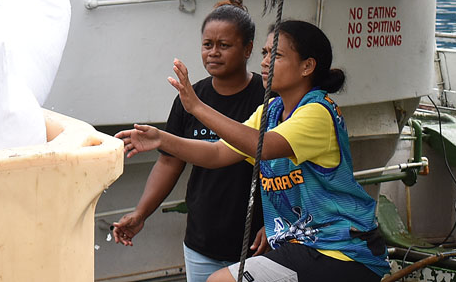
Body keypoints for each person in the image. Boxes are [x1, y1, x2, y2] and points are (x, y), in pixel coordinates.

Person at [116, 20, 389, 282]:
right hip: (307, 245)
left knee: (220, 280)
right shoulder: (271, 111)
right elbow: (218, 154)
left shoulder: (317, 112)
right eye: (265, 52)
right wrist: (162, 139)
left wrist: (197, 107)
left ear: (307, 66)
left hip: (341, 249)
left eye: (277, 55)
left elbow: (265, 147)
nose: (265, 61)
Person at [112, 0, 267, 282]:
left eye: (225, 45)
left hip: (258, 241)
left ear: (248, 49)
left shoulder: (266, 98)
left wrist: (275, 224)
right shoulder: (190, 97)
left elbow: (288, 166)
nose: (214, 53)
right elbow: (170, 162)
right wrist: (141, 212)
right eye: (208, 45)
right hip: (202, 240)